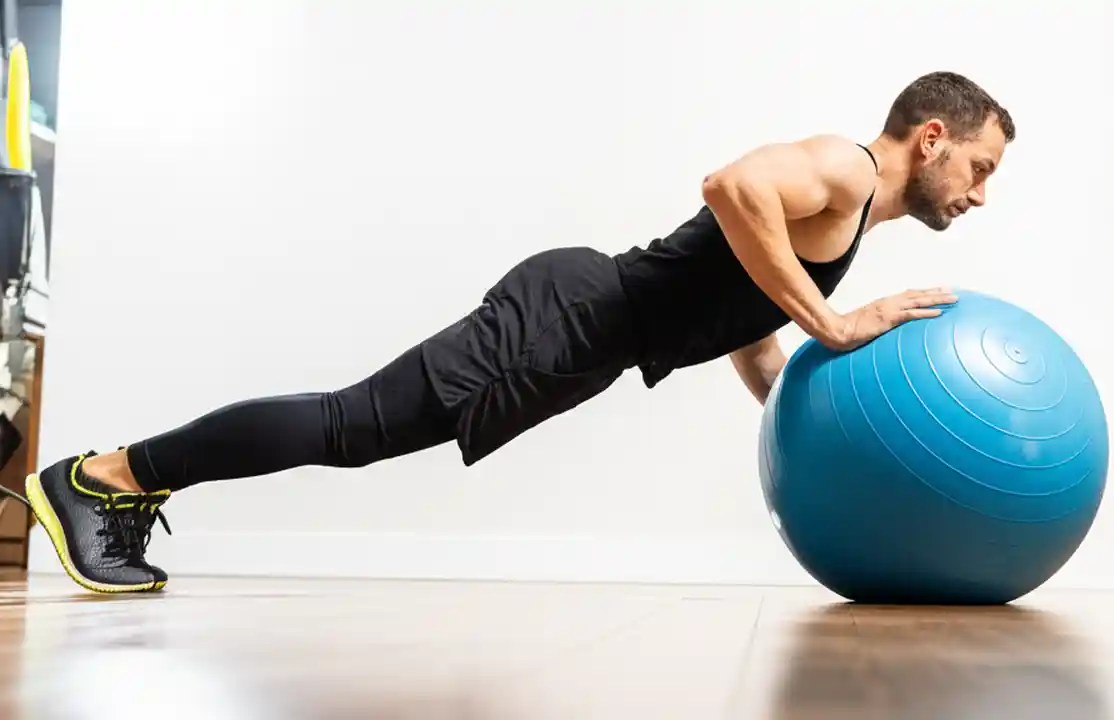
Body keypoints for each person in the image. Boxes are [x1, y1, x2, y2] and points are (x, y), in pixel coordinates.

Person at [14, 70, 1014, 594]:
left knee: (353, 432)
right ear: (931, 138)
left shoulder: (842, 224)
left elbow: (746, 321)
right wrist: (832, 322)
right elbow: (730, 186)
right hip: (571, 314)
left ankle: (120, 481)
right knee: (348, 426)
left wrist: (800, 416)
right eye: (979, 167)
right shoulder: (843, 167)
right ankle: (107, 478)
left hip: (584, 339)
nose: (978, 194)